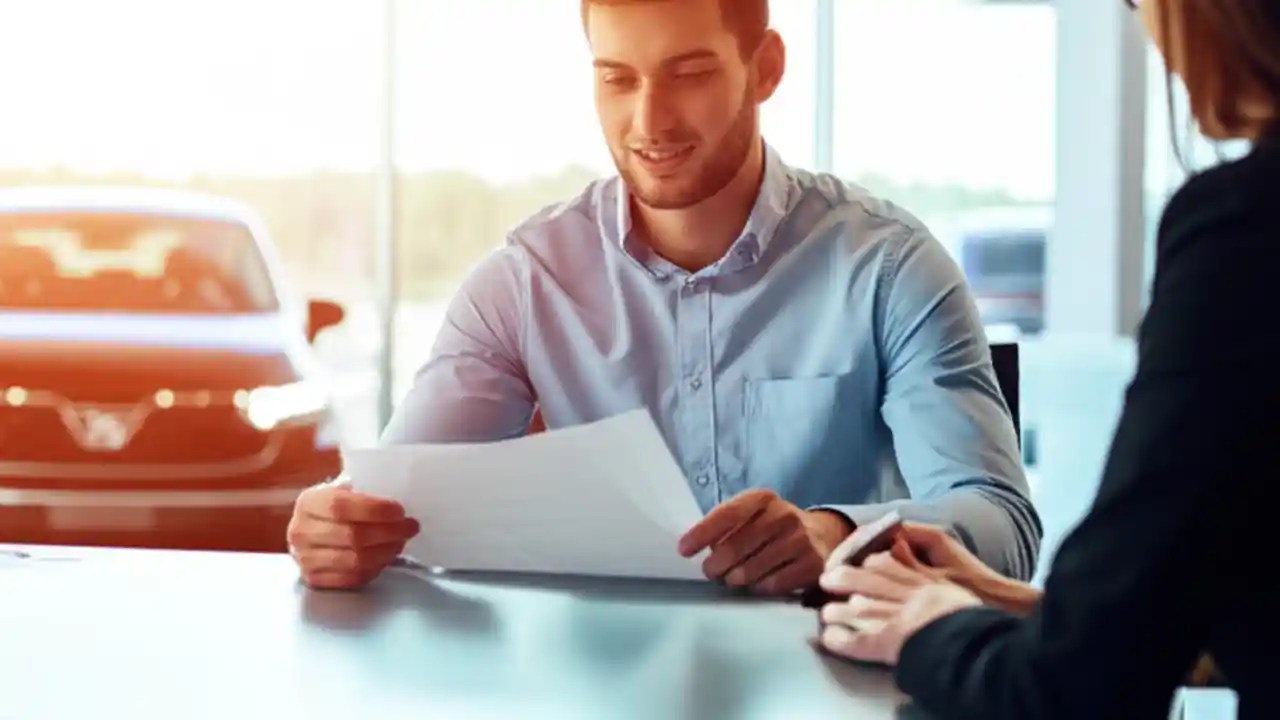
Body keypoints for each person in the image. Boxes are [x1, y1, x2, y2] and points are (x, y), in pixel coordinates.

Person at [286, 0, 1040, 596]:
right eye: (618, 78)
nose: (649, 122)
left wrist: (832, 533)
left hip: (840, 667)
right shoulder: (524, 282)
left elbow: (1002, 528)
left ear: (765, 68)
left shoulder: (888, 267)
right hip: (608, 682)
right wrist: (337, 523)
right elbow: (392, 498)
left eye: (690, 73)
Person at [815, 0, 1280, 717]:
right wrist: (1014, 608)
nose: (1150, 31)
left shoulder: (1248, 233)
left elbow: (1078, 691)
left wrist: (927, 628)